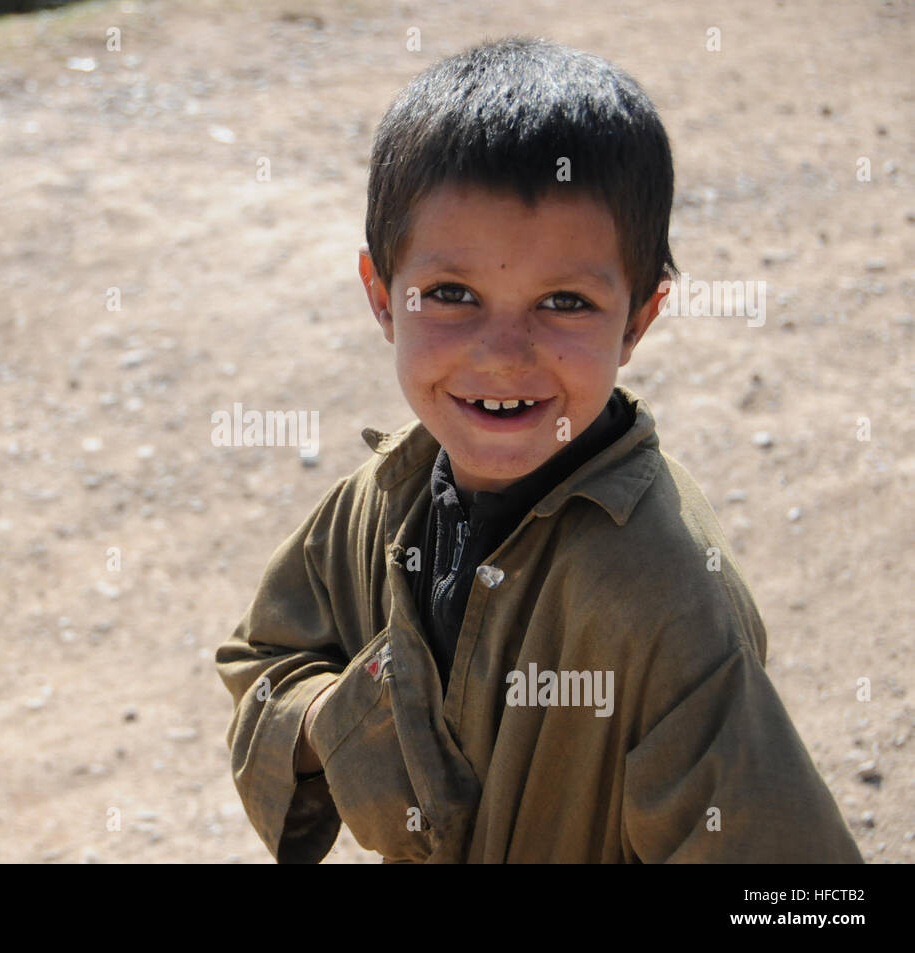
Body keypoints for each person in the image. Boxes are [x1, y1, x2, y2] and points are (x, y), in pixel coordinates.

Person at [214, 37, 863, 863]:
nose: (504, 352)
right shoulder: (386, 499)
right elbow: (265, 653)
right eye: (453, 295)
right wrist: (341, 723)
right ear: (383, 297)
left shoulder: (662, 601)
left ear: (638, 320)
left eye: (565, 301)